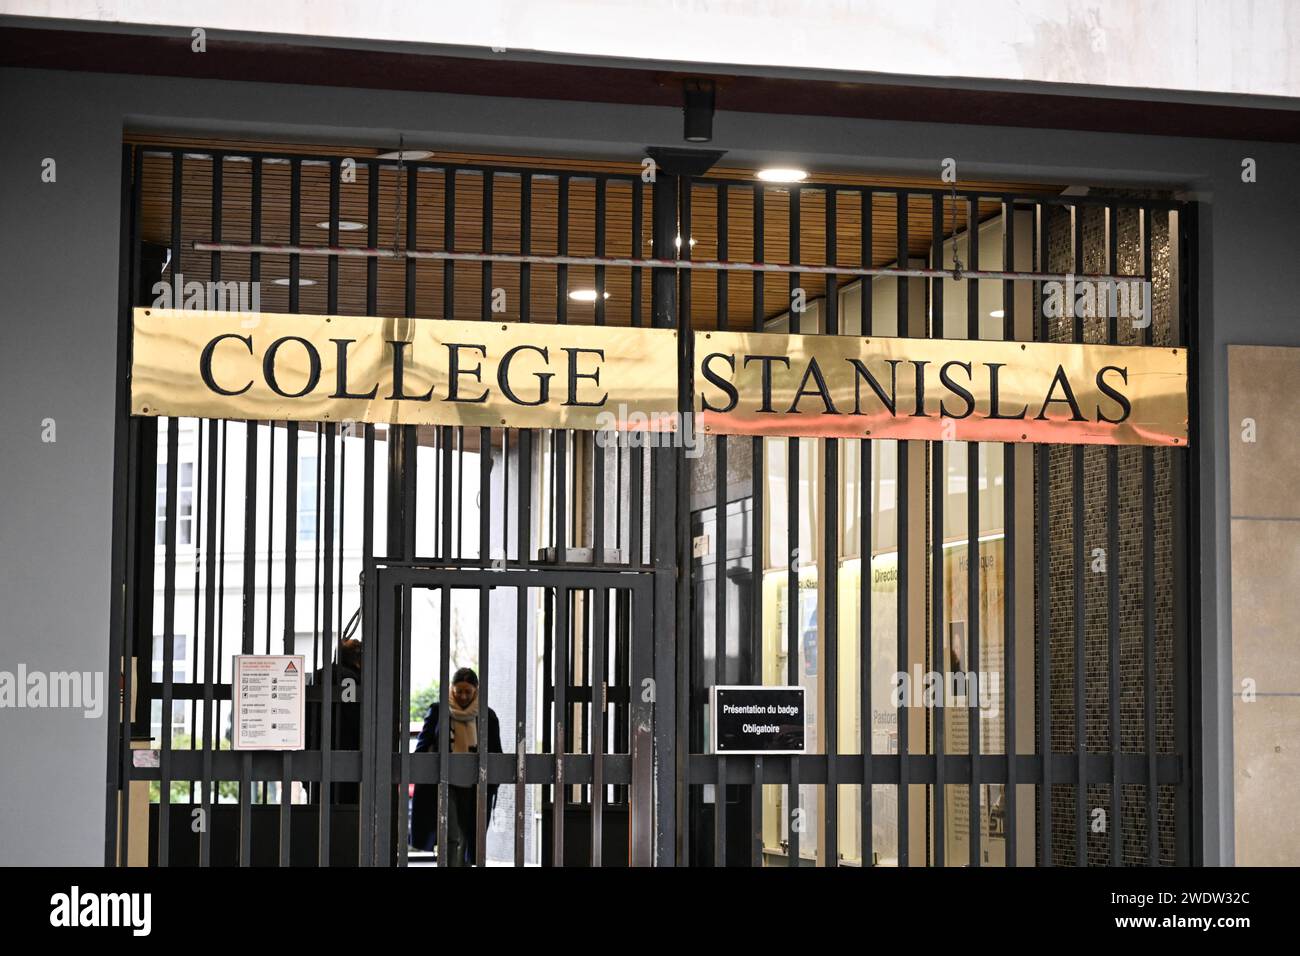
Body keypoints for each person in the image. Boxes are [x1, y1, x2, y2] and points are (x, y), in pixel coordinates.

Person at [409, 667, 503, 865]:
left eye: (468, 691)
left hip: (475, 785)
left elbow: (496, 752)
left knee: (469, 834)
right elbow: (422, 746)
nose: (463, 696)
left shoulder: (487, 716)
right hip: (444, 782)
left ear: (476, 690)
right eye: (459, 691)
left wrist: (492, 784)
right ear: (451, 688)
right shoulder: (438, 711)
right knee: (451, 834)